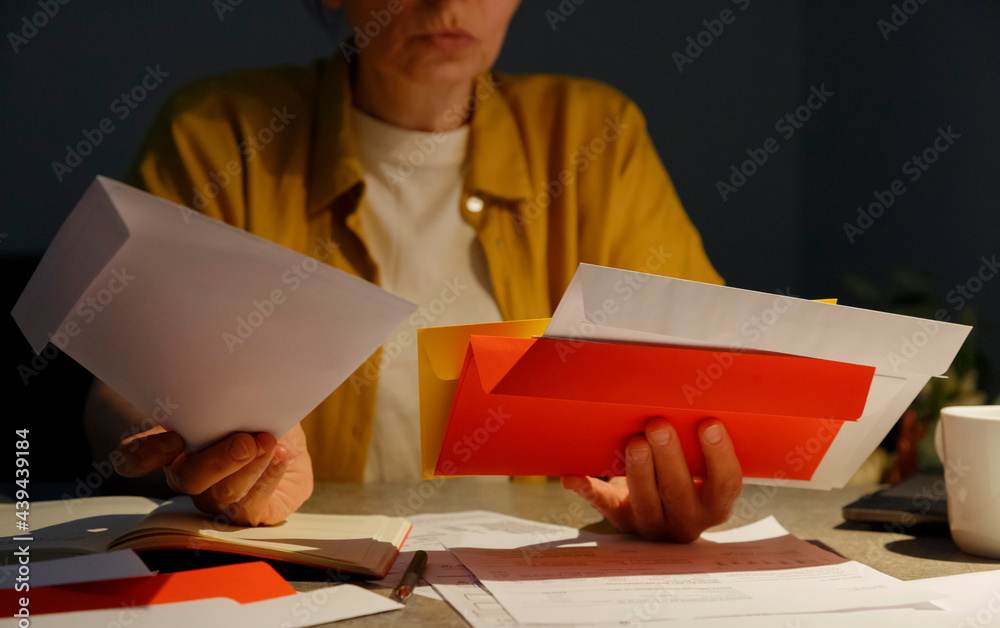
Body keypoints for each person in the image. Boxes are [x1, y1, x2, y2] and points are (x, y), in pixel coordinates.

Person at [84, 0, 743, 541]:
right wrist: (203, 438)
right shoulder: (218, 134)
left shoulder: (598, 135)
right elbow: (115, 390)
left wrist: (673, 474)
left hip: (537, 573)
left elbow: (703, 377)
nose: (449, 4)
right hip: (300, 571)